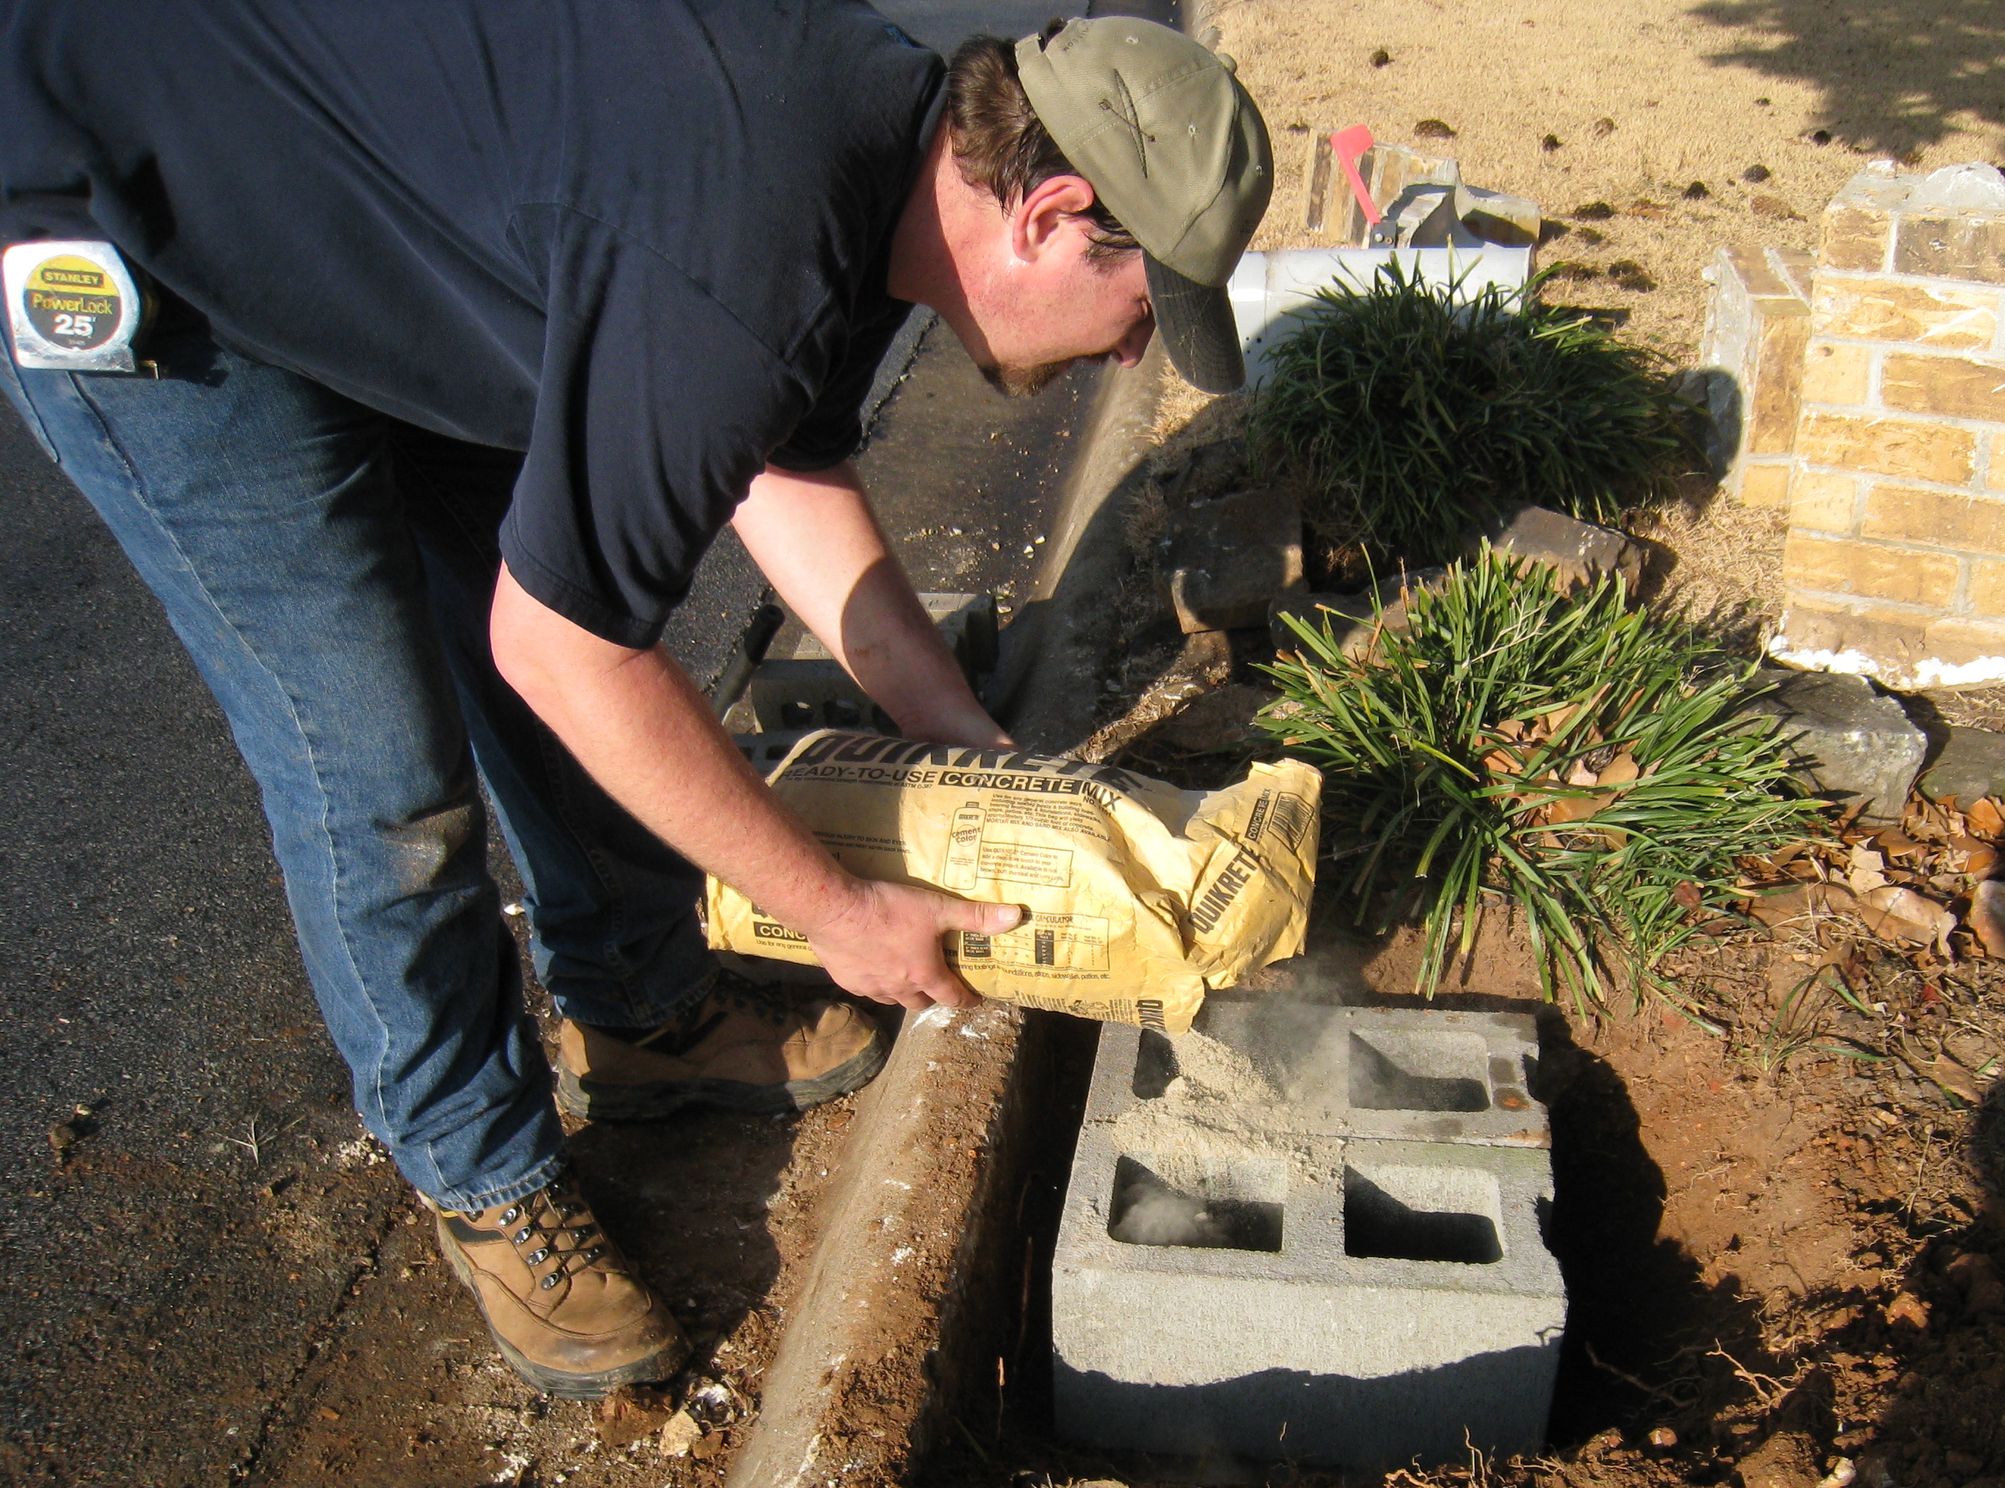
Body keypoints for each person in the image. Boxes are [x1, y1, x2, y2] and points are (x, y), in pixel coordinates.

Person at [0, 2, 1271, 1398]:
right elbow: (569, 651)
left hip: (387, 227)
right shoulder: (747, 251)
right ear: (1052, 213)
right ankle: (478, 1169)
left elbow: (776, 468)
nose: (1130, 359)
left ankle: (640, 1009)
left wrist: (964, 735)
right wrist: (839, 917)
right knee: (377, 765)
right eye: (1141, 311)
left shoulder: (882, 164)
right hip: (151, 245)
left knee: (557, 589)